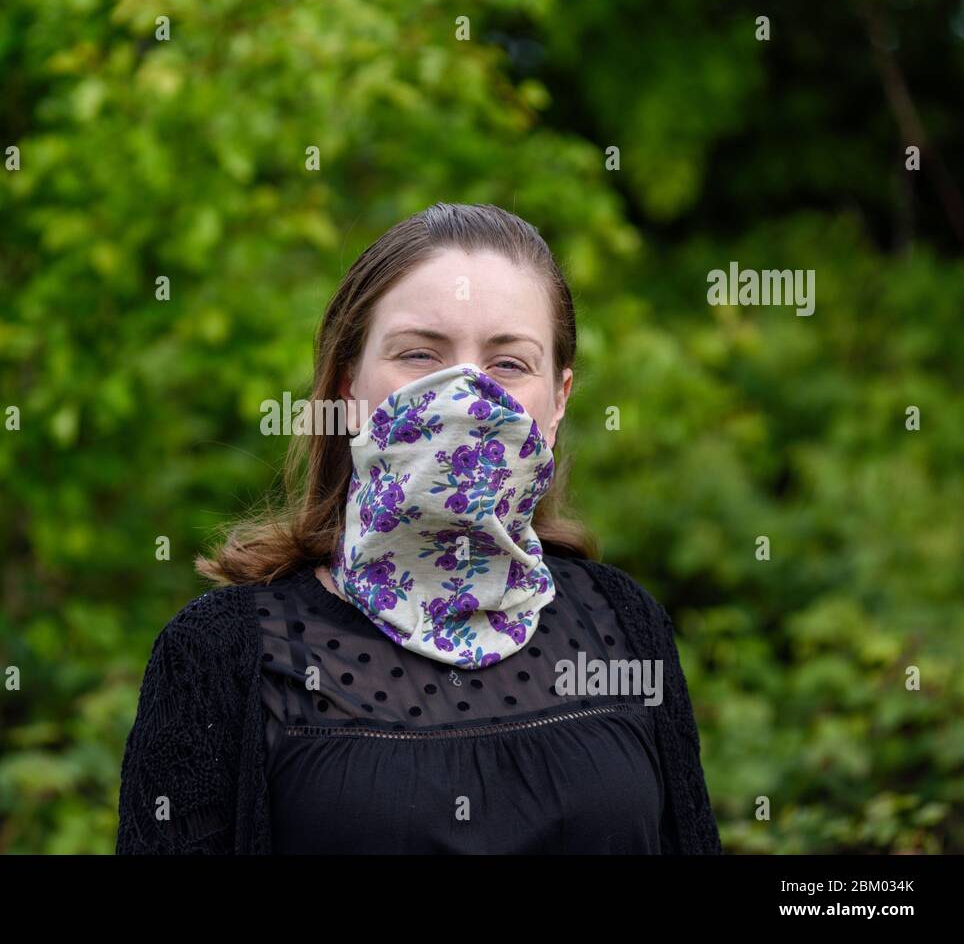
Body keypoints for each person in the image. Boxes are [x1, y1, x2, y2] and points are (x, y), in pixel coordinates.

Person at [116, 201, 722, 854]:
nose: (463, 392)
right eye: (420, 354)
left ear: (559, 400)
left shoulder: (627, 626)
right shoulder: (221, 656)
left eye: (508, 364)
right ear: (349, 388)